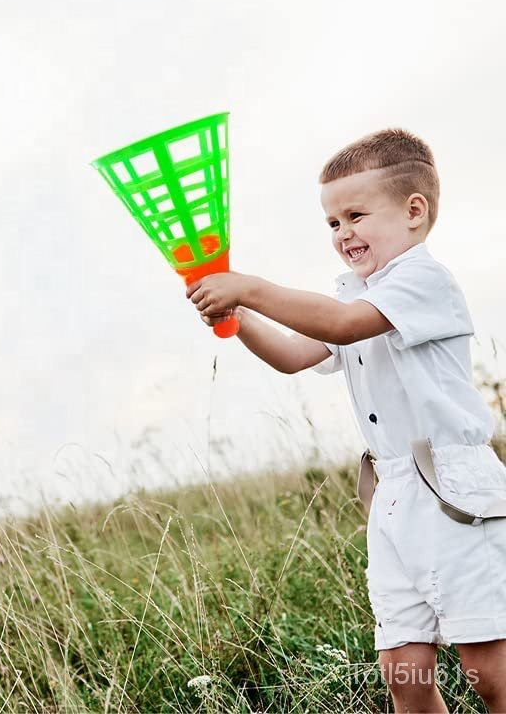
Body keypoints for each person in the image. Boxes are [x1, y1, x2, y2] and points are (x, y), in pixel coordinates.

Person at [186, 129, 506, 713]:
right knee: (403, 669)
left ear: (415, 211)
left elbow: (339, 326)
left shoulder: (421, 281)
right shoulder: (352, 292)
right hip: (393, 495)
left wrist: (251, 287)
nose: (343, 234)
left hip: (455, 490)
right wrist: (236, 318)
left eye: (355, 215)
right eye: (333, 223)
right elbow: (294, 355)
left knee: (488, 667)